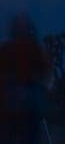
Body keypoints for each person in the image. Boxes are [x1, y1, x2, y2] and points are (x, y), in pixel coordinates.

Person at [0, 14, 51, 144]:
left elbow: (44, 74)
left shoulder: (35, 50)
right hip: (13, 105)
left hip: (27, 105)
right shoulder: (7, 50)